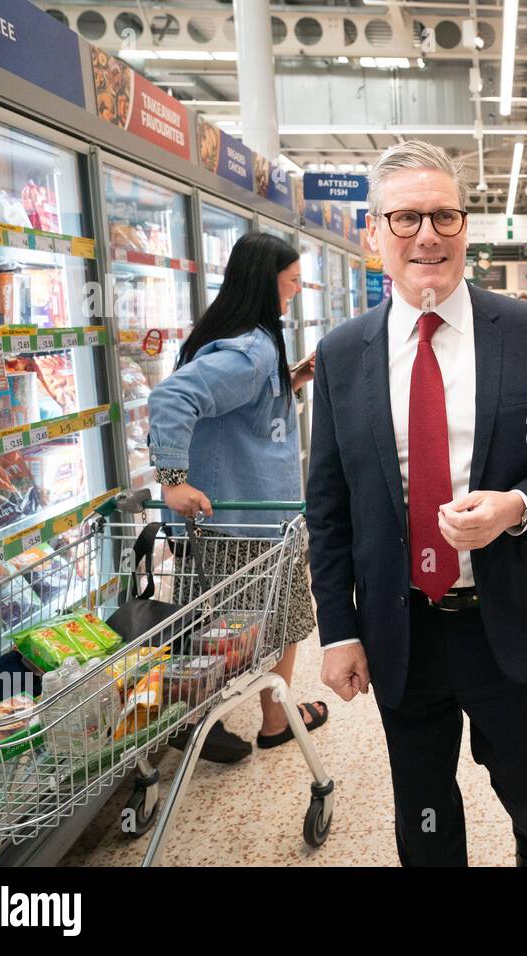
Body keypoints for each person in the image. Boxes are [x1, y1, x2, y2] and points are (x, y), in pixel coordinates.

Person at [307, 141, 527, 866]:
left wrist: (515, 508)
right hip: (403, 629)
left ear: (466, 227)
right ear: (373, 234)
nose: (427, 235)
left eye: (444, 215)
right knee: (424, 805)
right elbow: (330, 507)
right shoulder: (343, 354)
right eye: (405, 218)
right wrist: (338, 630)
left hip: (511, 619)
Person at [148, 232, 328, 762]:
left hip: (246, 513)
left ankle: (259, 715)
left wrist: (293, 379)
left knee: (245, 621)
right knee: (259, 621)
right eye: (291, 282)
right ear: (265, 281)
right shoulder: (250, 348)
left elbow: (240, 413)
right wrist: (172, 478)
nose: (295, 292)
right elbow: (172, 396)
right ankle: (234, 716)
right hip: (243, 517)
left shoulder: (251, 342)